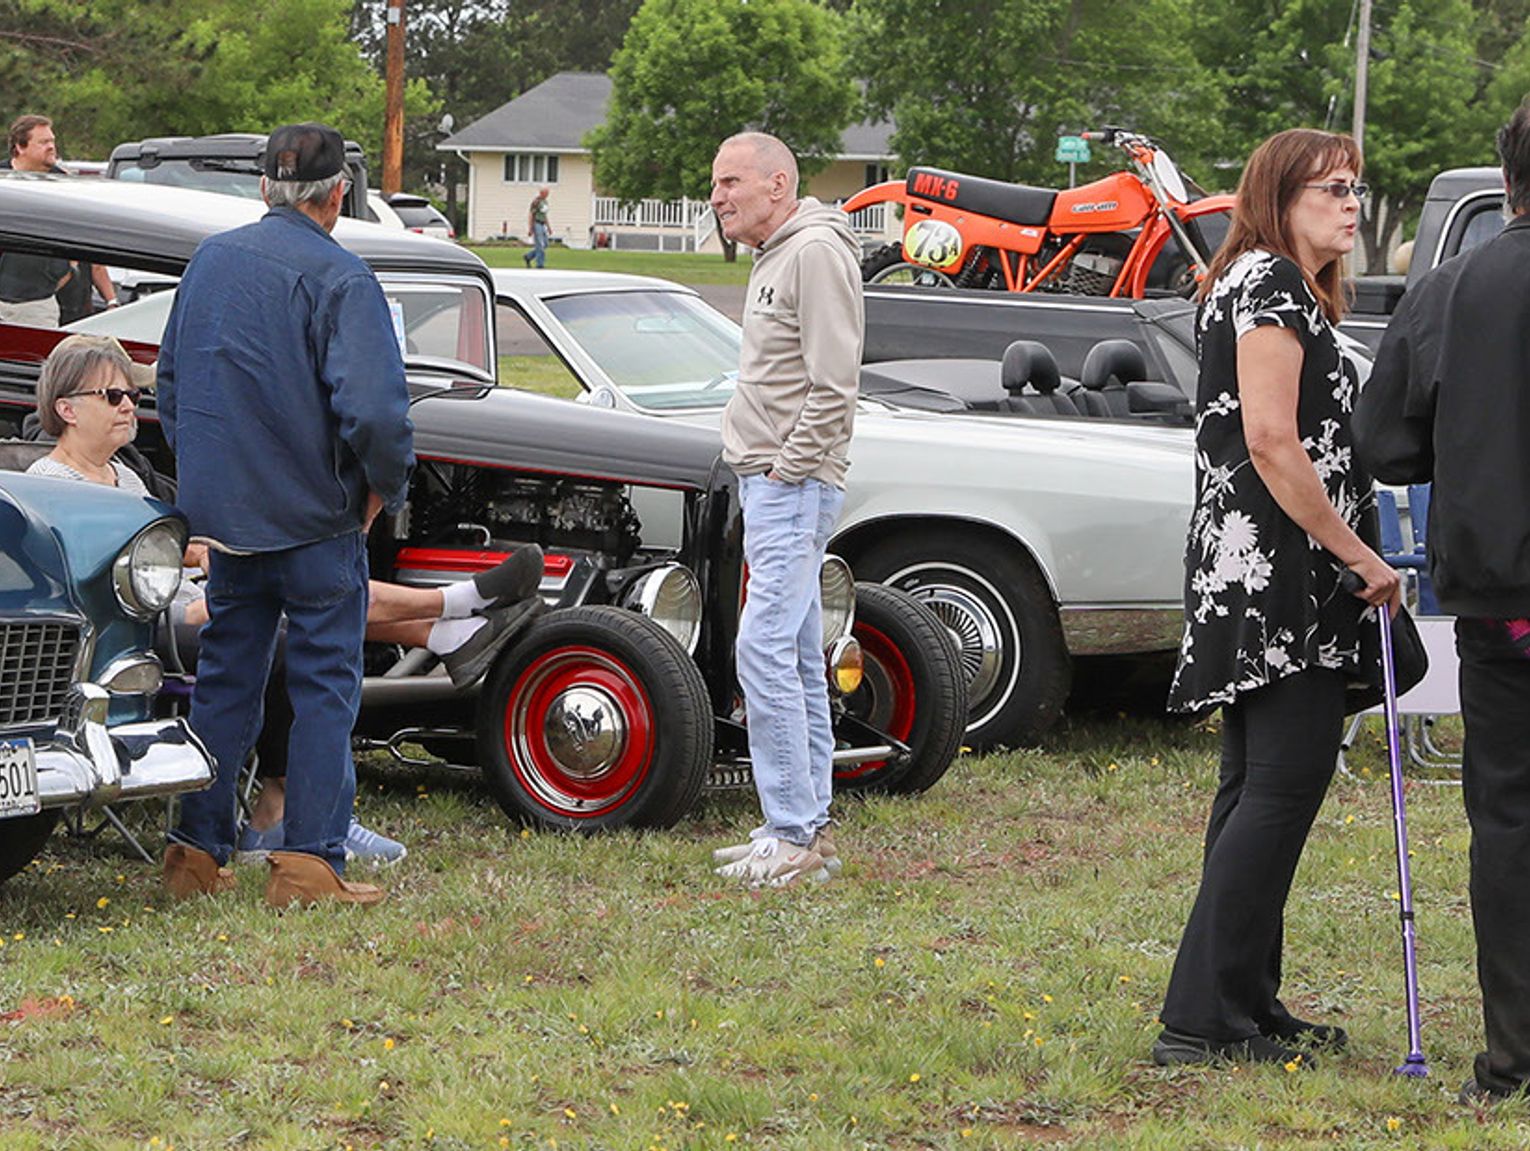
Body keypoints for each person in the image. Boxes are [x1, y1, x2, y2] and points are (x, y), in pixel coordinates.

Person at [156, 122, 535, 908]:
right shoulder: (343, 276)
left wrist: (207, 491)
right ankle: (308, 864)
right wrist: (377, 491)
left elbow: (169, 385)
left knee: (226, 678)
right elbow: (377, 417)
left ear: (264, 188)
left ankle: (194, 852)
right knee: (329, 683)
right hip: (316, 518)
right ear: (337, 196)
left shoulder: (208, 265)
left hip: (227, 520)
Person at [27, 332, 544, 868]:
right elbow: (95, 584)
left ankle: (446, 627)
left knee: (293, 597)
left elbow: (167, 545)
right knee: (289, 621)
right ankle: (449, 612)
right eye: (113, 397)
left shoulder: (126, 476)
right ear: (67, 408)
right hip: (136, 632)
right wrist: (188, 590)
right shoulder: (52, 484)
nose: (129, 405)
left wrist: (203, 554)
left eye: (132, 395)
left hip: (187, 605)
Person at [1153, 128, 1400, 1068]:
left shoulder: (1277, 286)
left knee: (1255, 788)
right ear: (1281, 194)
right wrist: (1358, 556)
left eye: (1356, 188)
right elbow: (1270, 440)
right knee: (1282, 788)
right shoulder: (1268, 284)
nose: (1351, 203)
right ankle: (1203, 1015)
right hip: (1281, 578)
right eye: (1333, 188)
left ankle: (1242, 997)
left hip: (1265, 571)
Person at [1353, 101, 1530, 1103]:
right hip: (1504, 596)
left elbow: (1385, 443)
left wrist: (1465, 452)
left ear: (1506, 182)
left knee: (1509, 819)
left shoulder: (1452, 289)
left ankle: (1515, 1055)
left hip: (1504, 599)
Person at [707, 132, 863, 889]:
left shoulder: (814, 253)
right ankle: (804, 828)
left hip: (791, 487)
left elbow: (835, 384)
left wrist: (788, 467)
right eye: (714, 183)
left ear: (778, 183)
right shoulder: (780, 253)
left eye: (732, 181)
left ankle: (793, 832)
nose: (718, 196)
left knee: (762, 652)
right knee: (798, 657)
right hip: (774, 483)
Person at [1, 115, 120, 324]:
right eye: (43, 142)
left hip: (40, 303)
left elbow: (85, 243)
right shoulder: (4, 181)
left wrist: (110, 299)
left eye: (52, 141)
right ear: (20, 146)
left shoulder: (62, 185)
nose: (51, 147)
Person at [525, 186, 550, 268]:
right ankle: (540, 264)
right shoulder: (536, 202)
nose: (548, 194)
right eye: (546, 192)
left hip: (543, 224)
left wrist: (549, 227)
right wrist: (530, 228)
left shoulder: (545, 202)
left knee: (545, 244)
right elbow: (531, 215)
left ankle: (529, 256)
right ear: (542, 193)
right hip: (537, 223)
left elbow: (545, 215)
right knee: (540, 244)